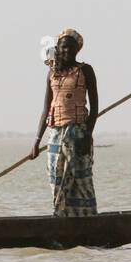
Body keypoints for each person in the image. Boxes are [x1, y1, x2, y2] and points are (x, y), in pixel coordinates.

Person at [30, 29, 98, 215]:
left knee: (80, 178)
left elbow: (94, 109)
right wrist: (37, 141)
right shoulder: (52, 74)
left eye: (71, 47)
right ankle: (61, 216)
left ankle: (86, 217)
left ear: (77, 50)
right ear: (58, 49)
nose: (67, 50)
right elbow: (46, 109)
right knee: (56, 177)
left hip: (77, 133)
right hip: (55, 134)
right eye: (63, 47)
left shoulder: (85, 70)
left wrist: (86, 136)